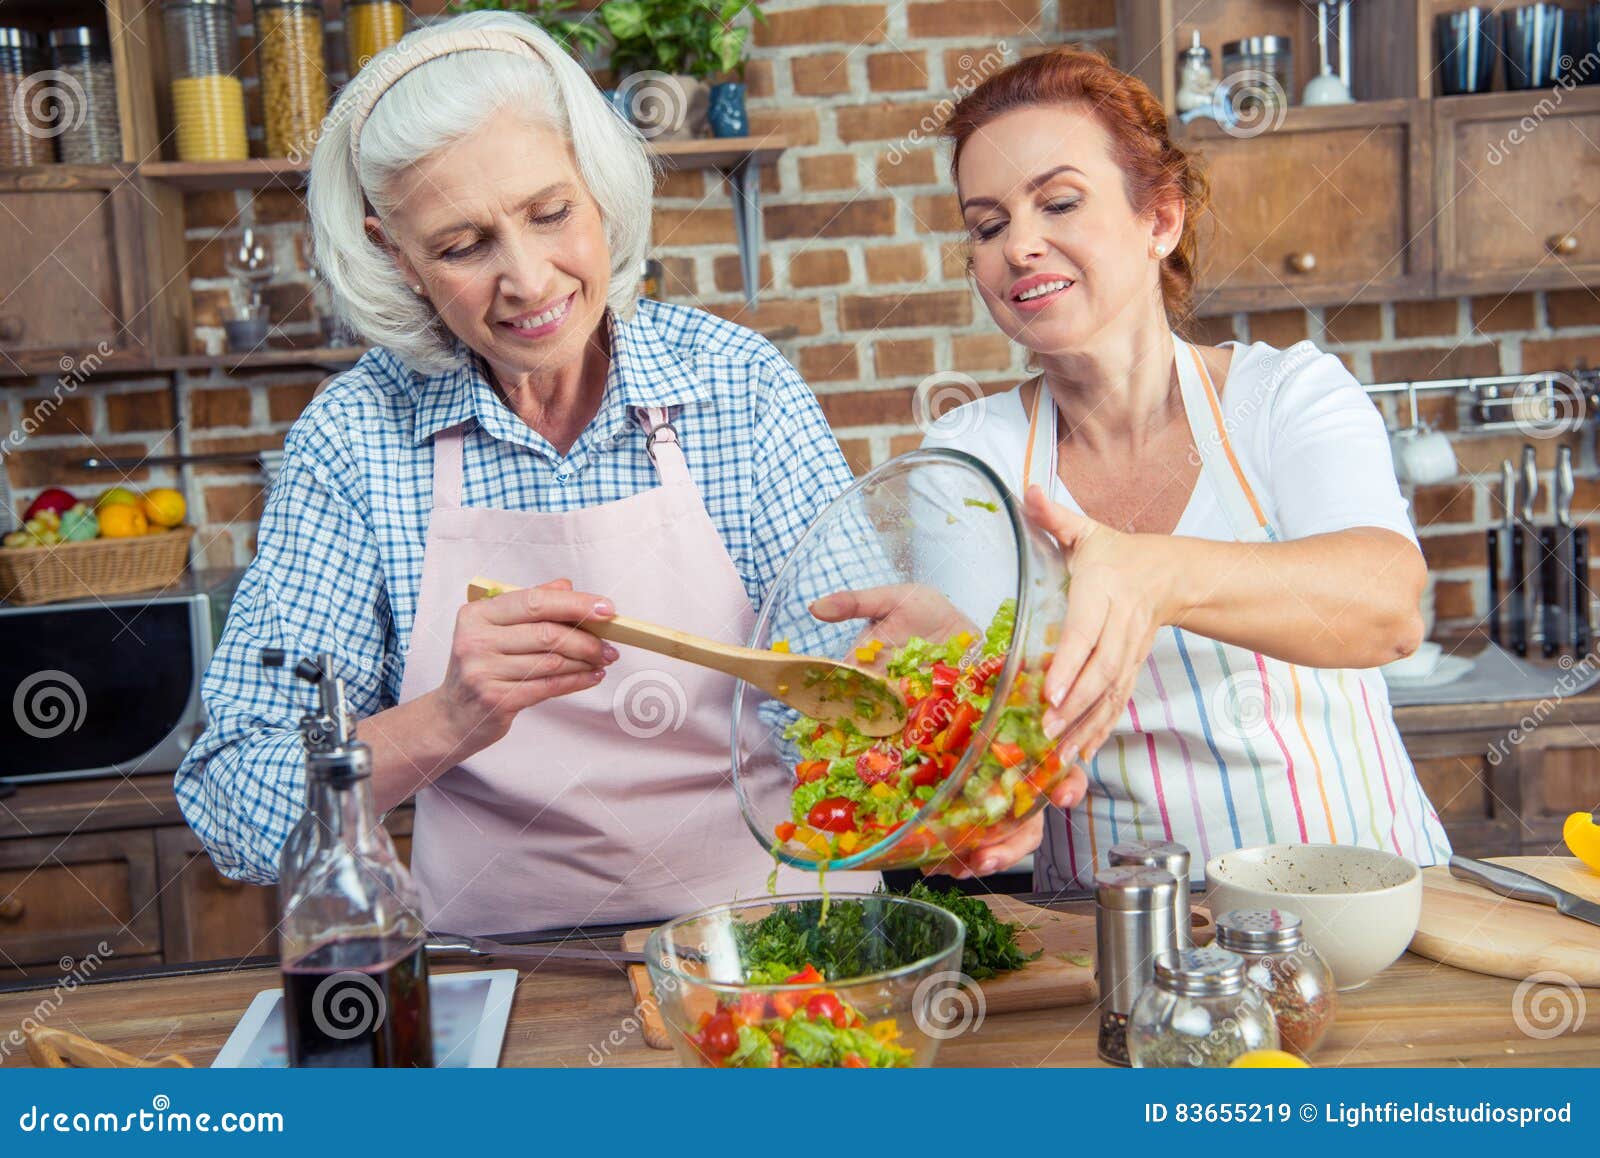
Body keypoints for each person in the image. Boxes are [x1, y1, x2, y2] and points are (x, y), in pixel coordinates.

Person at [173, 12, 902, 933]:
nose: (527, 279)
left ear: (597, 188)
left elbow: (855, 709)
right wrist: (443, 721)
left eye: (550, 213)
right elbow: (232, 797)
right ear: (395, 255)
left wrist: (918, 703)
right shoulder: (356, 439)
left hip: (786, 953)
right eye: (461, 246)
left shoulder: (740, 389)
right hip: (507, 976)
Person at [920, 48, 1451, 886]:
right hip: (1112, 939)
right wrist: (968, 789)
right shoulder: (968, 459)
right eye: (987, 225)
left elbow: (1387, 610)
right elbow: (993, 729)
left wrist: (1157, 573)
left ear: (1159, 221)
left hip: (1363, 915)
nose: (1019, 245)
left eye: (1059, 202)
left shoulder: (1285, 397)